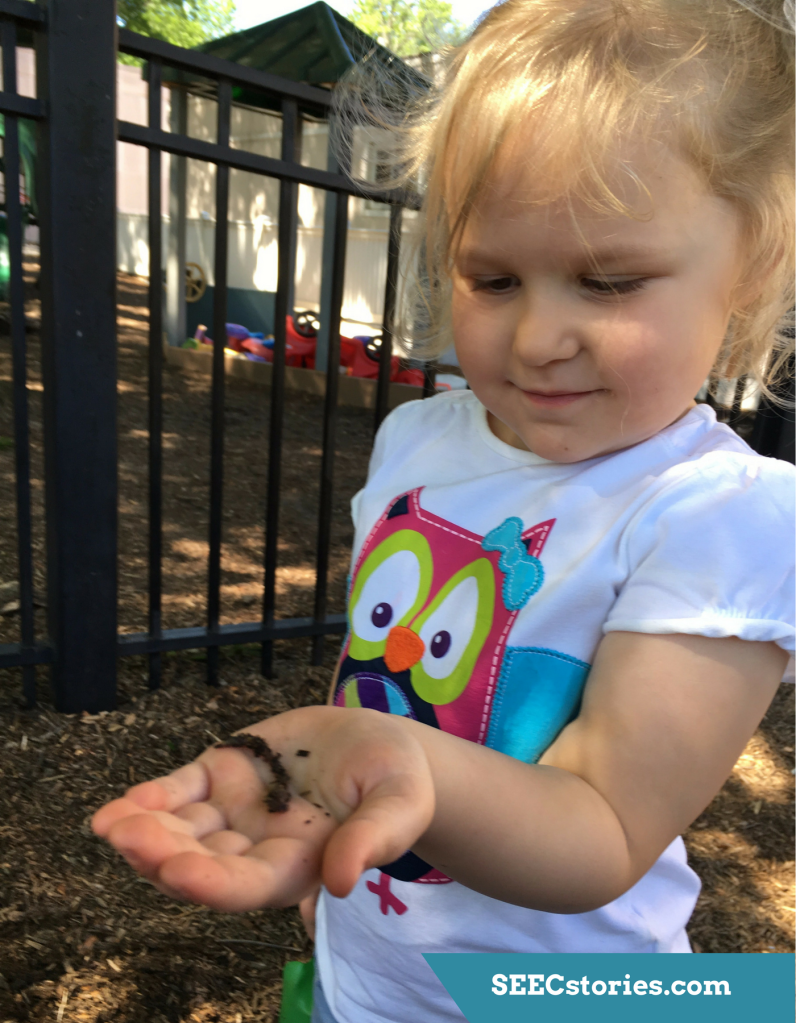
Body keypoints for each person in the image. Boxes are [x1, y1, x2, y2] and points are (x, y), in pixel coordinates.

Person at [92, 2, 795, 1020]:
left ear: (753, 267)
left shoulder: (723, 514)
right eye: (493, 276)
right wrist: (333, 822)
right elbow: (400, 675)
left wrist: (387, 764)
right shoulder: (420, 443)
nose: (539, 336)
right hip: (363, 970)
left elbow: (599, 832)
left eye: (607, 281)